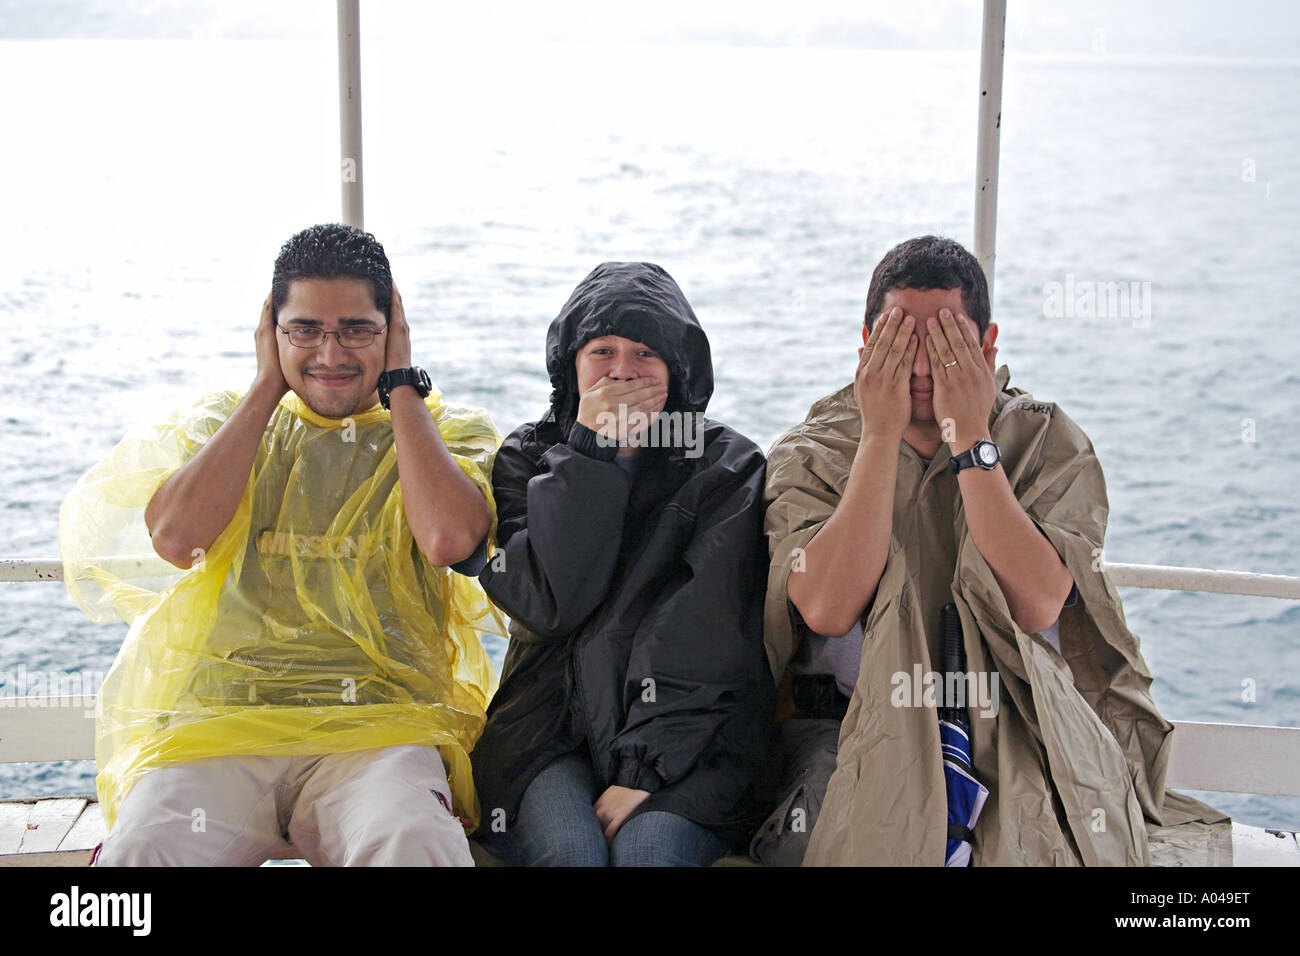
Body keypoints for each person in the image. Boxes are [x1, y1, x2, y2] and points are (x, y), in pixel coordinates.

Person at [754, 235, 1226, 866]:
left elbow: (1038, 604)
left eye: (944, 345)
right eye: (901, 345)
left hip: (1012, 715)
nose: (922, 369)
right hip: (848, 723)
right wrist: (879, 438)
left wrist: (972, 439)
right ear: (867, 347)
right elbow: (827, 608)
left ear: (986, 347)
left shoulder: (1041, 438)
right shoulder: (815, 451)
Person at [59, 223, 504, 866]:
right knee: (143, 850)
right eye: (305, 330)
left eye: (357, 329)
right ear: (274, 333)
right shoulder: (226, 423)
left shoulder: (445, 432)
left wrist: (402, 383)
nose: (330, 352)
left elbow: (448, 539)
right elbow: (178, 540)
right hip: (220, 724)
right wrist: (268, 385)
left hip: (379, 728)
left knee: (415, 843)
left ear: (393, 330)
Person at [470, 261, 775, 867]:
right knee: (571, 853)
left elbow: (706, 634)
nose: (621, 371)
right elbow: (547, 602)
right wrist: (592, 451)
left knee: (649, 853)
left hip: (692, 738)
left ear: (678, 371)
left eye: (645, 354)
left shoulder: (727, 465)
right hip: (549, 727)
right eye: (602, 351)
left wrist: (645, 769)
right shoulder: (528, 458)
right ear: (571, 366)